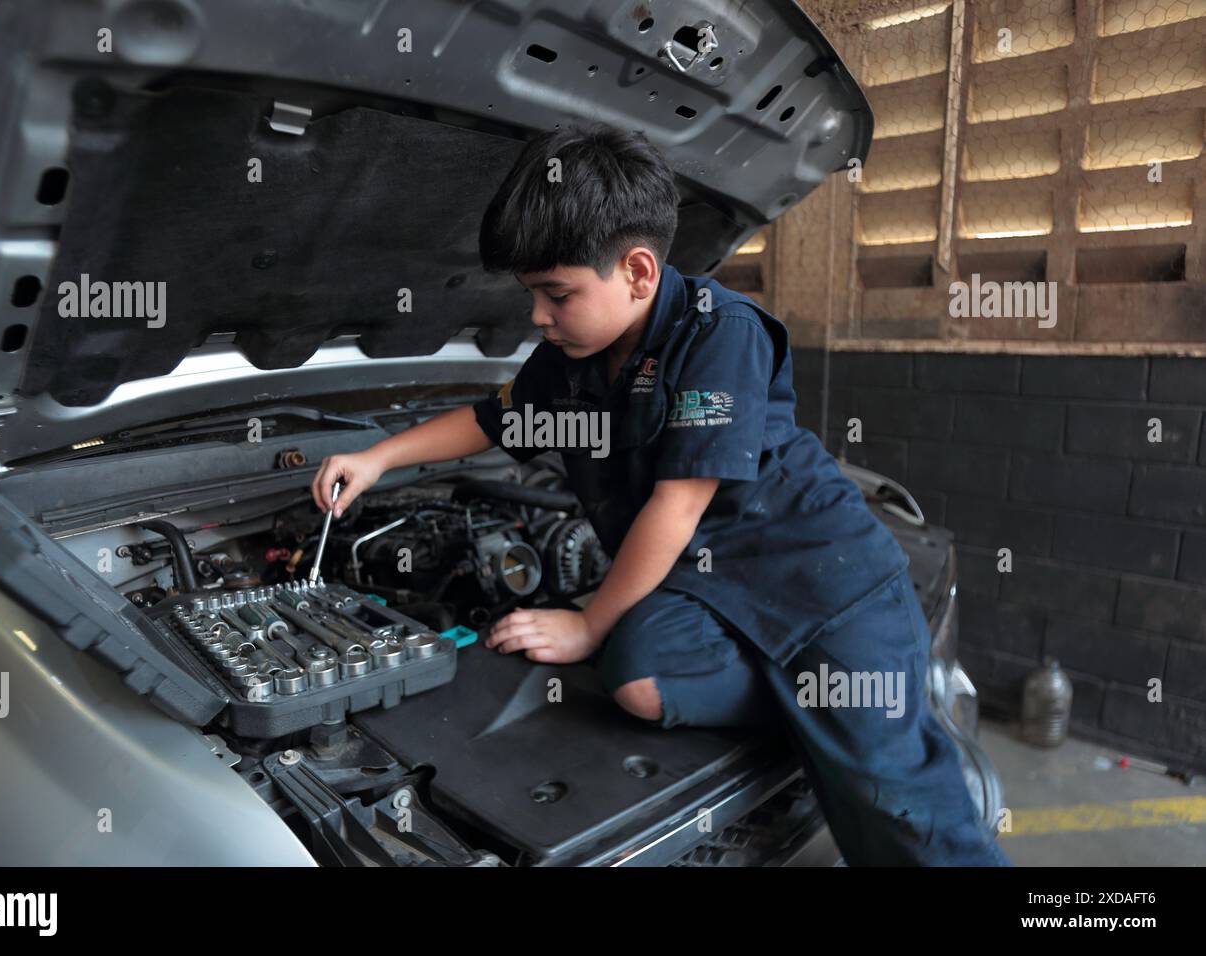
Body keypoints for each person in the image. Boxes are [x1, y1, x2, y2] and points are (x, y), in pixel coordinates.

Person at [311, 124, 1009, 866]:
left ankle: (837, 708)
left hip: (825, 588)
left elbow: (675, 507)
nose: (538, 317)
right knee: (635, 677)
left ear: (639, 272)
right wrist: (378, 456)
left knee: (892, 801)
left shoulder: (720, 334)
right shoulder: (568, 363)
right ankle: (810, 703)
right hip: (711, 593)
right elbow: (492, 420)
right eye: (532, 296)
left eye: (557, 294)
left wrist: (586, 622)